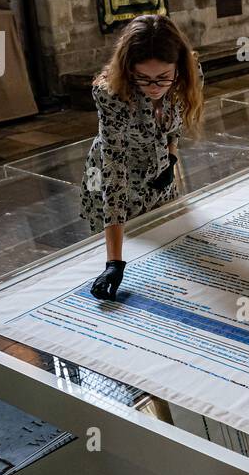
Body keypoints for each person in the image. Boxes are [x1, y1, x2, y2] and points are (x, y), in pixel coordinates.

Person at [80, 15, 205, 301]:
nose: (154, 88)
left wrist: (171, 160)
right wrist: (114, 263)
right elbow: (114, 170)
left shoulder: (189, 74)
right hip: (114, 173)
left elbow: (175, 124)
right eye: (143, 79)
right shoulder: (111, 94)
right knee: (131, 240)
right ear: (128, 70)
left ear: (178, 68)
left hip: (160, 168)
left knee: (165, 246)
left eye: (163, 77)